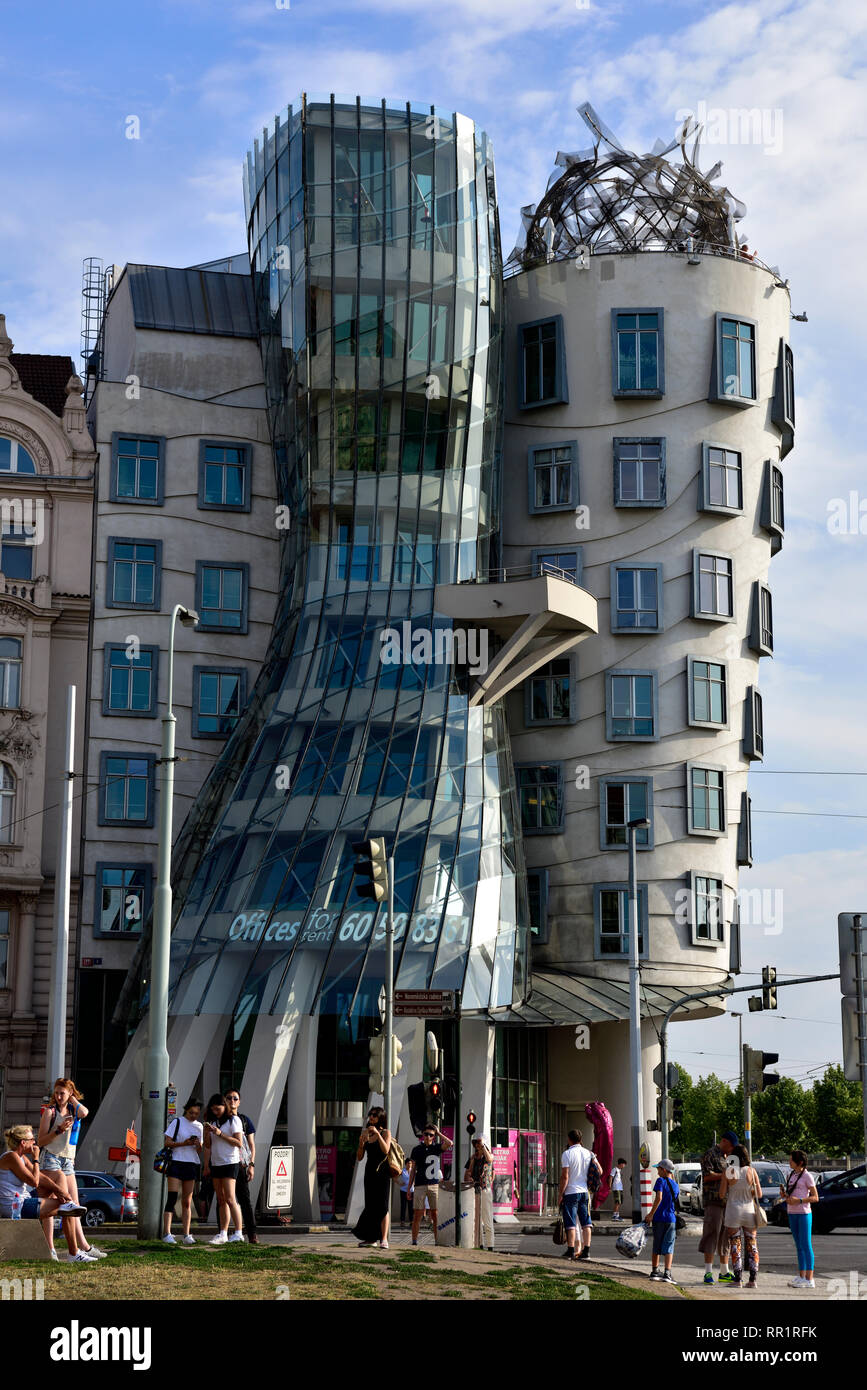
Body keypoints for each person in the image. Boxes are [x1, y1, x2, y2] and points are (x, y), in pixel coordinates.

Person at [37, 1076, 107, 1260]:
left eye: (62, 1093)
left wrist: (72, 1098)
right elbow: (40, 1141)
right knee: (53, 1202)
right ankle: (50, 1248)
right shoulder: (50, 1112)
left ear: (70, 1094)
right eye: (56, 1093)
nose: (59, 1097)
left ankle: (83, 1246)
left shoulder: (73, 1111)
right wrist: (58, 1131)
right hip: (51, 1158)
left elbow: (84, 1112)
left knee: (73, 1205)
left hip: (68, 1160)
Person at [0, 1124, 90, 1262]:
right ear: (23, 1142)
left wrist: (59, 1191)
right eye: (32, 1140)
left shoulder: (21, 1157)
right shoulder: (11, 1157)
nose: (34, 1143)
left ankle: (66, 1203)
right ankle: (74, 1253)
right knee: (68, 1210)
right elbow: (34, 1182)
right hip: (15, 1206)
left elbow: (41, 1178)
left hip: (23, 1199)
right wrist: (36, 1158)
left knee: (58, 1175)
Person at [202, 1093, 244, 1245]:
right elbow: (207, 1145)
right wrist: (206, 1132)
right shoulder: (213, 1121)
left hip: (230, 1162)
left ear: (224, 1106)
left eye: (218, 1109)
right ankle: (223, 1233)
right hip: (216, 1163)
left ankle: (238, 1232)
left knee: (230, 1198)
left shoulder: (234, 1120)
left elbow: (238, 1143)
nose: (216, 1112)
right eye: (213, 1109)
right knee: (220, 1199)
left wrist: (220, 1134)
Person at [161, 1098, 203, 1245]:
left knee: (187, 1201)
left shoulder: (199, 1126)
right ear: (186, 1110)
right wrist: (183, 1143)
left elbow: (200, 1150)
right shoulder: (177, 1122)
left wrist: (197, 1144)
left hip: (191, 1163)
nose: (194, 1116)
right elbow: (167, 1142)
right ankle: (167, 1233)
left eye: (197, 1113)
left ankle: (186, 1234)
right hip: (176, 1162)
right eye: (191, 1112)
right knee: (172, 1198)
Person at [352, 1106, 394, 1249]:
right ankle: (371, 1239)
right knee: (370, 1206)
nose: (371, 1117)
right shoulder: (366, 1133)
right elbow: (359, 1157)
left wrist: (377, 1133)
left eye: (375, 1115)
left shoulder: (385, 1132)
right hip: (370, 1172)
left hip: (383, 1173)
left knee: (382, 1206)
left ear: (381, 1117)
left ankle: (384, 1239)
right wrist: (361, 1144)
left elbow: (386, 1150)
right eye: (370, 1114)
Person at [721, 1143, 762, 1288]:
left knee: (735, 1245)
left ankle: (737, 1279)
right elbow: (759, 1194)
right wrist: (748, 1192)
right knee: (752, 1245)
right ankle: (753, 1280)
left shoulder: (729, 1171)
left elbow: (721, 1194)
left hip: (733, 1211)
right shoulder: (752, 1171)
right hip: (749, 1211)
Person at [557, 1128, 602, 1262]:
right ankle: (586, 1251)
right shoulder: (589, 1153)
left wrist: (560, 1194)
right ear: (580, 1139)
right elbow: (600, 1170)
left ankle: (571, 1250)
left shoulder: (567, 1154)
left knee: (570, 1222)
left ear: (569, 1139)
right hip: (584, 1192)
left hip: (571, 1192)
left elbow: (565, 1176)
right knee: (586, 1223)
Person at [699, 1129, 736, 1285]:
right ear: (724, 1141)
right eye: (731, 1145)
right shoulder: (710, 1154)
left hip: (727, 1202)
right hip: (713, 1201)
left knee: (725, 1237)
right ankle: (708, 1272)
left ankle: (724, 1271)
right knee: (711, 1235)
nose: (732, 1149)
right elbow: (706, 1176)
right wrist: (725, 1175)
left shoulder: (728, 1157)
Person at [408, 1121, 453, 1246]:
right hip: (420, 1185)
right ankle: (414, 1241)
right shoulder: (416, 1149)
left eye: (431, 1135)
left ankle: (437, 1241)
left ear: (434, 1136)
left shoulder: (436, 1147)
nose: (428, 1137)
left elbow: (450, 1143)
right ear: (422, 1134)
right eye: (426, 1134)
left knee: (435, 1214)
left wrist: (438, 1133)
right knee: (418, 1214)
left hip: (434, 1185)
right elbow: (413, 1170)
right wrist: (409, 1187)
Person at [225, 1088, 258, 1244]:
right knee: (224, 1200)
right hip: (224, 1163)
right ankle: (223, 1233)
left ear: (239, 1102)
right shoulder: (220, 1119)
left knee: (244, 1200)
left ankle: (252, 1234)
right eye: (229, 1098)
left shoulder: (245, 1120)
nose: (232, 1101)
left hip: (241, 1164)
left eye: (235, 1098)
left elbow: (251, 1145)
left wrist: (251, 1164)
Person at [782, 1149, 818, 1288]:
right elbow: (791, 1193)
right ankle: (801, 1276)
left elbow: (815, 1197)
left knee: (806, 1245)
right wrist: (785, 1195)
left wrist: (800, 1200)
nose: (789, 1162)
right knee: (798, 1246)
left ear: (800, 1162)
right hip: (792, 1212)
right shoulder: (791, 1174)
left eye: (791, 1160)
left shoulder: (807, 1176)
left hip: (804, 1213)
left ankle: (810, 1279)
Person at [645, 1158, 679, 1282]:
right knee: (669, 1246)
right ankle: (667, 1273)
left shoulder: (660, 1181)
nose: (657, 1171)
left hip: (659, 1217)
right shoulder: (675, 1185)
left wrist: (651, 1214)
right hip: (671, 1219)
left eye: (658, 1169)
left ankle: (655, 1271)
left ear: (664, 1170)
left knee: (657, 1244)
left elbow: (658, 1197)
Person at [464, 1135, 494, 1250]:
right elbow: (467, 1173)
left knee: (487, 1218)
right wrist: (470, 1176)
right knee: (477, 1218)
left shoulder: (489, 1156)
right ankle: (479, 1244)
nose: (477, 1147)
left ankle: (490, 1245)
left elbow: (490, 1160)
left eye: (479, 1144)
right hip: (475, 1189)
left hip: (485, 1190)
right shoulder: (473, 1158)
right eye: (476, 1144)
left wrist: (483, 1146)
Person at [398, 1161, 412, 1229]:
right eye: (408, 1163)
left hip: (411, 1190)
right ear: (405, 1164)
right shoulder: (402, 1171)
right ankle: (402, 1221)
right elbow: (395, 1177)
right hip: (403, 1190)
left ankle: (411, 1221)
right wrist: (399, 1183)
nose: (410, 1164)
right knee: (403, 1206)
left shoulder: (413, 1170)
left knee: (411, 1206)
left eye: (411, 1163)